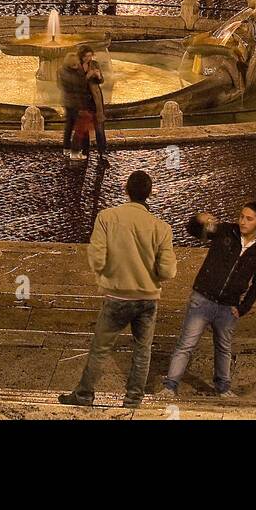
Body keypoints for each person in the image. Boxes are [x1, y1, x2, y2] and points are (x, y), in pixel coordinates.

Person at [59, 172, 175, 408]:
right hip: (147, 298)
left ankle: (84, 395)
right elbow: (168, 271)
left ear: (126, 190)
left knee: (100, 348)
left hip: (117, 295)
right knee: (142, 351)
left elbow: (97, 258)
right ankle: (133, 399)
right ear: (149, 193)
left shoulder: (107, 217)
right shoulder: (161, 228)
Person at [163, 202, 256, 399]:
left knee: (223, 347)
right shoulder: (225, 231)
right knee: (186, 344)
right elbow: (194, 230)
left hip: (228, 307)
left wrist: (243, 307)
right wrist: (199, 219)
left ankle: (222, 387)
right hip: (202, 299)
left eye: (249, 219)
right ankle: (170, 386)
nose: (242, 221)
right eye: (241, 216)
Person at [59, 44, 107, 157]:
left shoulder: (94, 64)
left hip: (96, 100)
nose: (89, 58)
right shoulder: (76, 66)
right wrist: (88, 76)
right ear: (81, 56)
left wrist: (99, 76)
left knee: (99, 127)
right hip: (84, 101)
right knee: (84, 130)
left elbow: (101, 81)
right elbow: (76, 84)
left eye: (90, 56)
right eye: (86, 56)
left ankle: (102, 151)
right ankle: (85, 152)